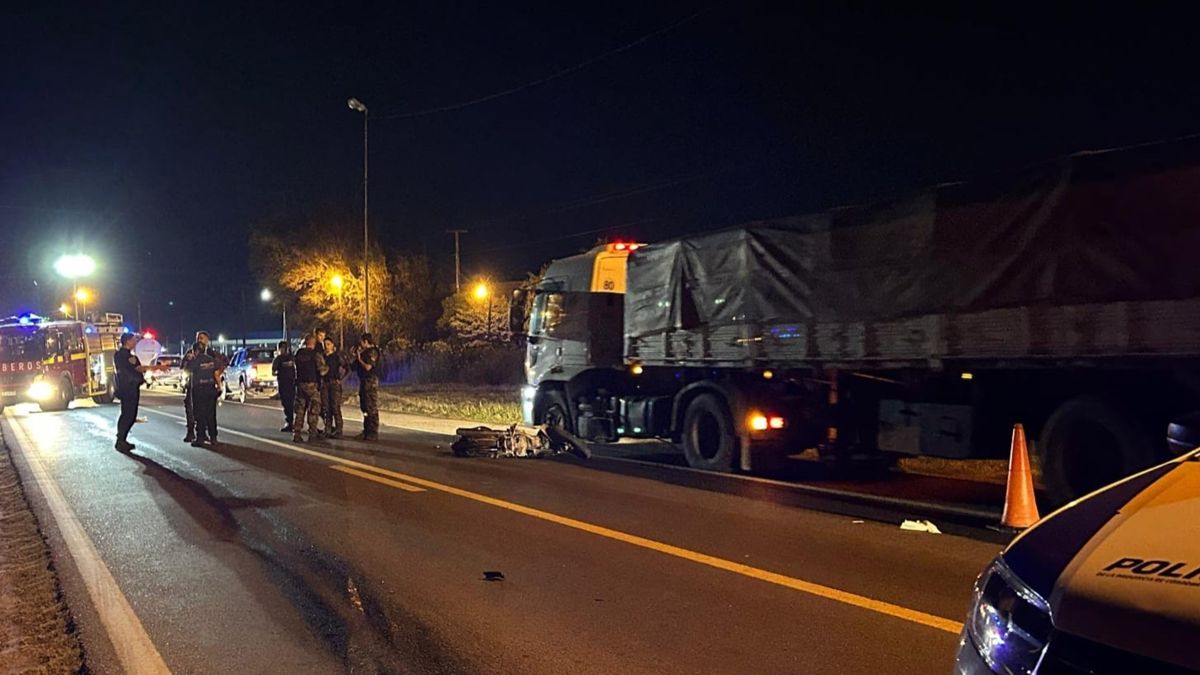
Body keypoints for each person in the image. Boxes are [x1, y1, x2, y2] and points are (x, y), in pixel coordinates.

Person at [114, 333, 159, 451]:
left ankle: (123, 439)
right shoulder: (120, 355)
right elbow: (133, 368)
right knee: (127, 414)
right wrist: (151, 368)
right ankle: (120, 440)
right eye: (134, 340)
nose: (135, 343)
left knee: (131, 414)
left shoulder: (131, 356)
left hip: (133, 388)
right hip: (127, 388)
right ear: (127, 341)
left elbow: (138, 369)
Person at [185, 340, 222, 447]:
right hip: (211, 389)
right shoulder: (211, 360)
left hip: (199, 390)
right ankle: (213, 438)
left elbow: (187, 370)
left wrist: (189, 359)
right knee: (211, 415)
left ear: (195, 351)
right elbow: (218, 367)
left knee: (199, 415)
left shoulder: (195, 361)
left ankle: (200, 438)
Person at [292, 334, 327, 442]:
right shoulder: (315, 355)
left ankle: (297, 434)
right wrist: (328, 368)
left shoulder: (298, 354)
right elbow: (322, 371)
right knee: (313, 410)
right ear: (314, 343)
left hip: (300, 385)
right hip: (312, 385)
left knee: (300, 410)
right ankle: (312, 434)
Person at [353, 333, 381, 441]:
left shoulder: (373, 352)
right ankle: (366, 430)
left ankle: (373, 432)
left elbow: (368, 367)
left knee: (371, 407)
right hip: (363, 381)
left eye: (361, 342)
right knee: (364, 407)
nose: (360, 344)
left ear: (365, 341)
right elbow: (354, 367)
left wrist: (360, 359)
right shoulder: (364, 353)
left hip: (370, 381)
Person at [320, 337, 346, 438]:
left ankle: (339, 430)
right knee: (326, 408)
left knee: (335, 407)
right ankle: (328, 429)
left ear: (332, 345)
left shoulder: (336, 357)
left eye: (328, 344)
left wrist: (341, 378)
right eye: (324, 344)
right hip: (325, 383)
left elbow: (346, 367)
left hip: (334, 383)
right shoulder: (322, 357)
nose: (326, 346)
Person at [271, 340, 297, 432]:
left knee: (290, 403)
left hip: (289, 384)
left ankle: (292, 423)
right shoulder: (280, 359)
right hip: (286, 384)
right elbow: (273, 372)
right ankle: (291, 422)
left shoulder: (287, 358)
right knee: (288, 403)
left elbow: (274, 372)